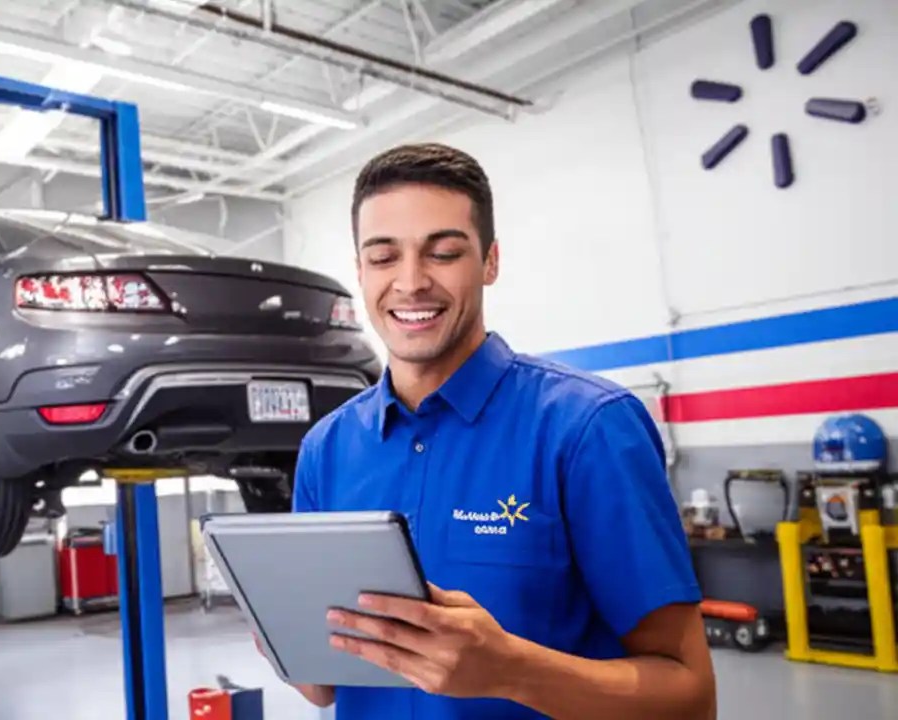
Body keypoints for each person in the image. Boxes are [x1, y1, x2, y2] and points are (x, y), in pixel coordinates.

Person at [280, 143, 715, 719]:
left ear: (489, 261)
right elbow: (326, 686)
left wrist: (511, 670)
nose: (411, 282)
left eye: (443, 253)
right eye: (384, 257)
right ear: (360, 271)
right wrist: (292, 648)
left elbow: (691, 698)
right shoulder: (326, 450)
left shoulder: (587, 429)